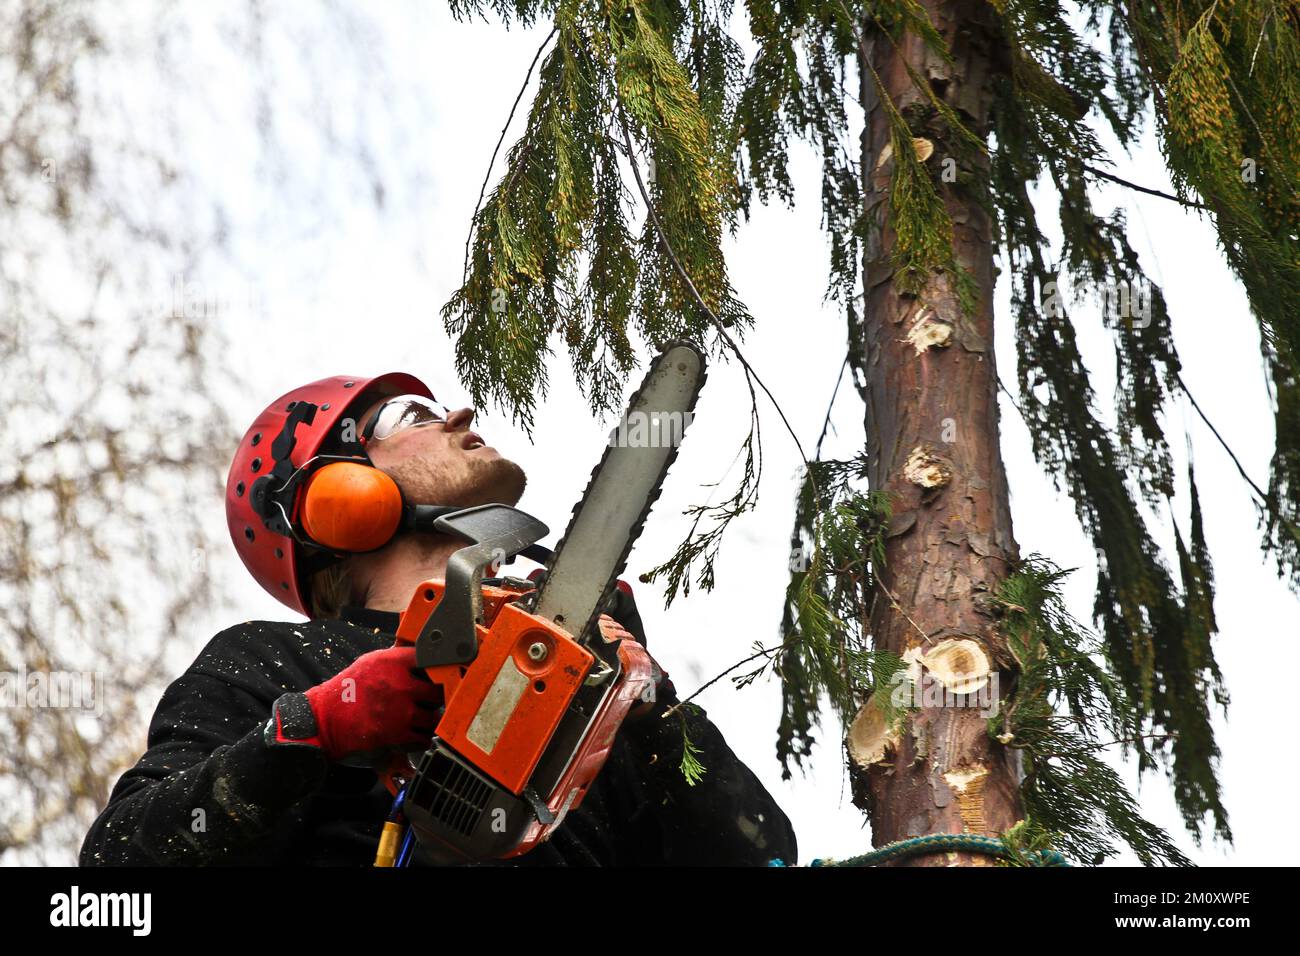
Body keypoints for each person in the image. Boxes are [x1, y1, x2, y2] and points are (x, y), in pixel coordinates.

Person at [80, 372, 798, 866]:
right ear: (330, 491)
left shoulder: (575, 689)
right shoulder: (272, 662)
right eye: (408, 418)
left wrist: (650, 715)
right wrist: (314, 728)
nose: (459, 415)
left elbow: (763, 855)